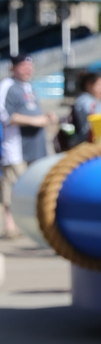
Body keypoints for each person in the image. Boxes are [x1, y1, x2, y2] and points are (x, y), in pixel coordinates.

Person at [2, 55, 48, 235]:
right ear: (13, 68)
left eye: (30, 66)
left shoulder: (29, 87)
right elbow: (5, 116)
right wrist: (33, 121)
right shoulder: (7, 86)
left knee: (34, 186)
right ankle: (10, 225)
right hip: (16, 148)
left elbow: (34, 110)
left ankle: (30, 224)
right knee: (13, 186)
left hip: (35, 147)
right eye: (23, 66)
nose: (28, 70)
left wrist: (46, 117)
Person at [69, 70, 101, 145]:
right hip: (85, 144)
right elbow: (96, 113)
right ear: (89, 85)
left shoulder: (95, 100)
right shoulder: (84, 100)